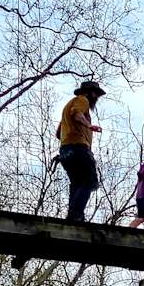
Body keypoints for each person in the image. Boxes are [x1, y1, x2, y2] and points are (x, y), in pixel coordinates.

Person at [56, 80, 105, 223]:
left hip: (65, 151)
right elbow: (77, 115)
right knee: (91, 182)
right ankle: (75, 215)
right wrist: (89, 126)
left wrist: (71, 133)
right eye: (95, 94)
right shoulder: (82, 100)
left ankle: (74, 217)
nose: (96, 97)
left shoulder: (69, 106)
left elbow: (58, 133)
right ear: (89, 93)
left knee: (77, 184)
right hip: (78, 148)